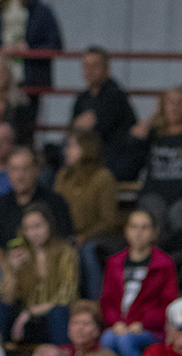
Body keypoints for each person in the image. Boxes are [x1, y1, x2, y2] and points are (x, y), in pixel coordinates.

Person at [132, 87, 182, 245]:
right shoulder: (154, 133)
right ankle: (156, 256)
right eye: (170, 103)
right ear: (163, 105)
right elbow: (134, 143)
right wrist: (155, 114)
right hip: (155, 194)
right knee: (155, 213)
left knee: (178, 213)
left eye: (180, 103)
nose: (175, 108)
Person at [0, 204, 78, 345]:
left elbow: (66, 296)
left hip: (52, 316)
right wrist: (12, 272)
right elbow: (6, 298)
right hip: (25, 321)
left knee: (58, 312)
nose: (33, 233)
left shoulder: (65, 252)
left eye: (37, 226)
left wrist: (30, 312)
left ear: (49, 225)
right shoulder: (17, 254)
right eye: (27, 228)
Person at [54, 129, 121, 301]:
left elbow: (109, 220)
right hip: (66, 235)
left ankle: (93, 303)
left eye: (72, 146)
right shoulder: (62, 177)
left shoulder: (103, 177)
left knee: (86, 251)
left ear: (86, 148)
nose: (67, 150)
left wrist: (84, 236)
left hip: (97, 238)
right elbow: (55, 211)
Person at [99, 211, 177, 356]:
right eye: (134, 227)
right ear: (126, 231)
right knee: (107, 338)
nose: (138, 232)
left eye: (144, 227)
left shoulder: (164, 264)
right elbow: (107, 301)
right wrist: (116, 322)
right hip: (119, 326)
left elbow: (169, 304)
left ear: (154, 232)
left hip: (152, 329)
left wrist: (143, 323)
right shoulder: (114, 263)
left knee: (125, 340)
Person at [0, 147, 76, 268]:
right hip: (11, 269)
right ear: (8, 172)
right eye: (14, 169)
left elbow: (65, 243)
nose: (19, 176)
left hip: (48, 268)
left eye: (25, 169)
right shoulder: (0, 204)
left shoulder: (55, 202)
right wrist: (8, 266)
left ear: (36, 170)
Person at [70, 48, 140, 181]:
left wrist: (86, 124)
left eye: (95, 66)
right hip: (86, 157)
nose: (89, 71)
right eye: (86, 66)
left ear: (106, 68)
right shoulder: (82, 98)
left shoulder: (116, 96)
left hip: (113, 159)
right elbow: (74, 127)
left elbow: (101, 129)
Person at [0, 0, 64, 89]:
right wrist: (1, 49)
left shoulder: (41, 10)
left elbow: (55, 43)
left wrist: (29, 49)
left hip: (31, 76)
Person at [0, 53, 36, 146]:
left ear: (9, 75)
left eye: (2, 71)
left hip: (13, 148)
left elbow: (25, 136)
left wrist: (6, 133)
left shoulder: (20, 105)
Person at [32, 299, 114, 356]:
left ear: (97, 329)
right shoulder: (60, 352)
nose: (79, 328)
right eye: (75, 323)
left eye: (86, 324)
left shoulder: (104, 353)